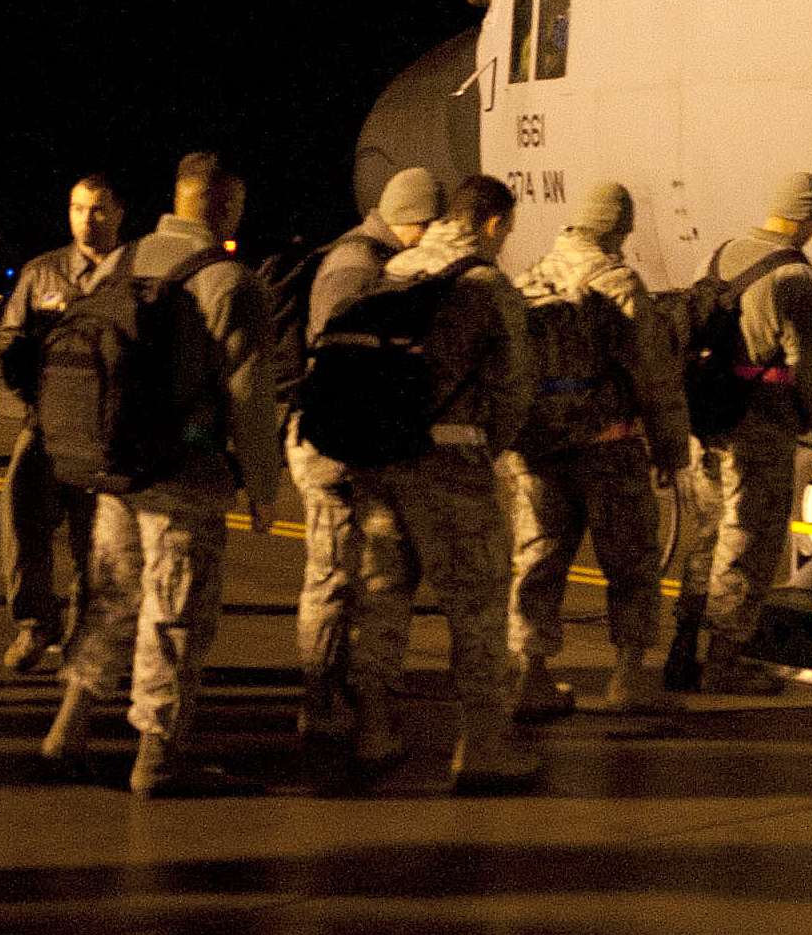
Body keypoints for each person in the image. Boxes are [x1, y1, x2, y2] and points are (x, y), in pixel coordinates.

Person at [39, 153, 282, 796]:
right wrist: (263, 487)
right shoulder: (232, 282)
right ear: (226, 206)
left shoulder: (126, 258)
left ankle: (68, 730)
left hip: (118, 463)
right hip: (185, 468)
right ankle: (157, 754)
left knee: (111, 592)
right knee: (176, 610)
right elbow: (251, 396)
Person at [344, 174, 539, 791]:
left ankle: (374, 730)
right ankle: (481, 745)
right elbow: (515, 391)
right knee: (476, 611)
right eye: (506, 228)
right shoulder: (488, 287)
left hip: (381, 462)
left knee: (381, 599)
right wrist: (487, 447)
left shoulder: (395, 269)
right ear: (489, 223)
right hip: (453, 464)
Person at [506, 181, 688, 717]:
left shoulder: (529, 279)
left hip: (541, 452)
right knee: (631, 564)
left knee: (538, 560)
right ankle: (628, 678)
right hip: (609, 449)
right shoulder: (619, 282)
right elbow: (654, 378)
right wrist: (671, 450)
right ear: (617, 230)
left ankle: (530, 677)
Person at [286, 165, 442, 783]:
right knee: (337, 579)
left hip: (340, 442)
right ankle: (320, 701)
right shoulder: (356, 267)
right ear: (413, 222)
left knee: (344, 579)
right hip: (337, 449)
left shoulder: (364, 258)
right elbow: (340, 362)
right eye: (429, 228)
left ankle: (330, 697)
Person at [671, 173, 812, 695]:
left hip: (707, 417)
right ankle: (724, 661)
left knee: (704, 535)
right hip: (762, 423)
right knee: (749, 540)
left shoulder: (717, 256)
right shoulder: (799, 279)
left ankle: (682, 651)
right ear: (810, 219)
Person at [0, 174, 127, 675]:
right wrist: (31, 391)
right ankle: (35, 622)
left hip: (107, 432)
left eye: (96, 209)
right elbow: (11, 339)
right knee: (20, 512)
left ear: (118, 213)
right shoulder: (42, 273)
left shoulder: (135, 274)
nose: (86, 220)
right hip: (47, 424)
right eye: (76, 209)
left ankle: (83, 631)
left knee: (92, 536)